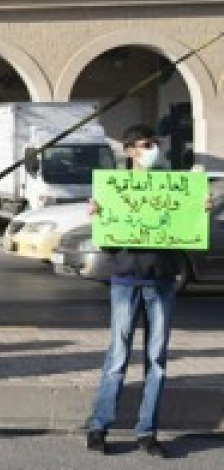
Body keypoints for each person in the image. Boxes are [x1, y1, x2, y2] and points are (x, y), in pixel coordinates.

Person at [85, 124, 202, 458]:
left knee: (157, 360)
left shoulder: (172, 185)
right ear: (129, 150)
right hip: (124, 280)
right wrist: (98, 218)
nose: (152, 149)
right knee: (117, 357)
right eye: (145, 145)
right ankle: (99, 426)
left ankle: (147, 432)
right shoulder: (113, 188)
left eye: (154, 144)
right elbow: (107, 245)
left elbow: (188, 234)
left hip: (162, 281)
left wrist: (198, 211)